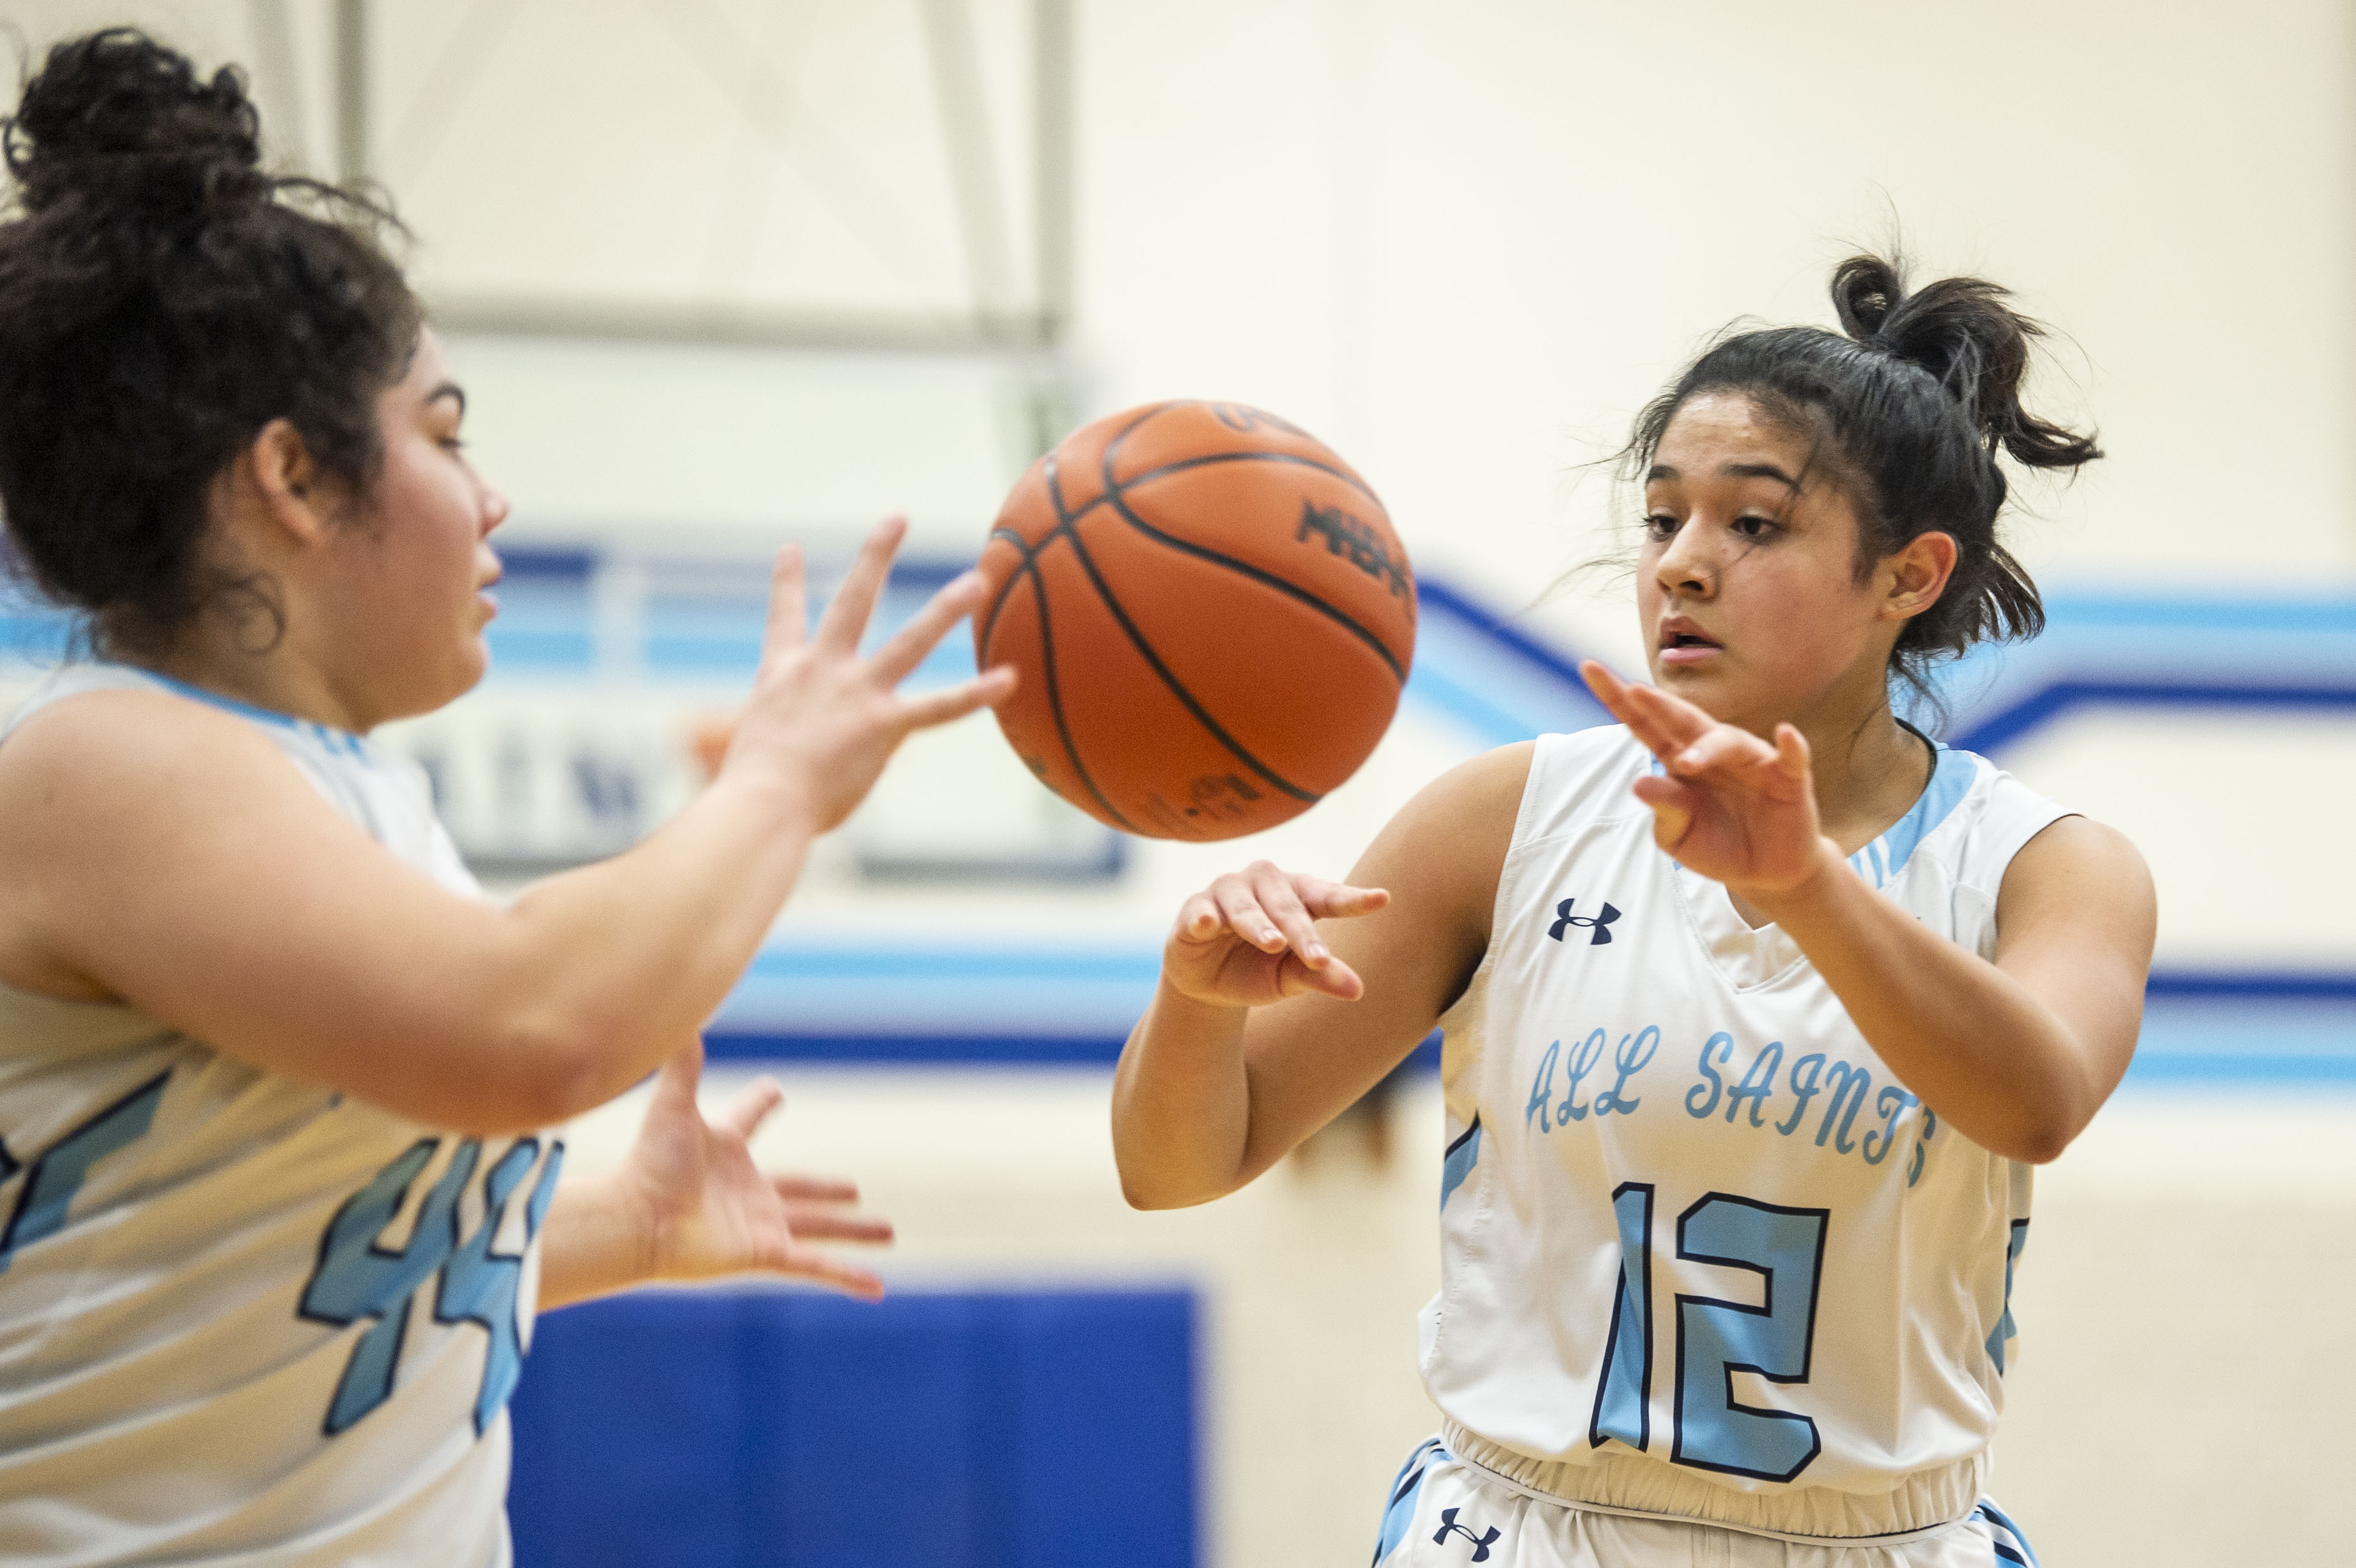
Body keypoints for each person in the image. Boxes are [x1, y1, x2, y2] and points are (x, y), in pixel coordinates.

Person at [0, 29, 1012, 1565]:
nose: (492, 498)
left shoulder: (355, 792)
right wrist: (777, 786)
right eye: (447, 432)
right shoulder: (101, 764)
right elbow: (532, 1023)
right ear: (291, 475)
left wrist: (619, 1226)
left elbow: (244, 1264)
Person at [1112, 253, 2156, 1565]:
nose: (1682, 565)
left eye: (1752, 525)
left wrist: (1805, 890)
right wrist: (1193, 1004)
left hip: (1874, 1536)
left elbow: (2037, 1099)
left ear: (1907, 574)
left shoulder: (2043, 864)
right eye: (1662, 518)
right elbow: (1175, 1166)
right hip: (1521, 1525)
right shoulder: (1505, 817)